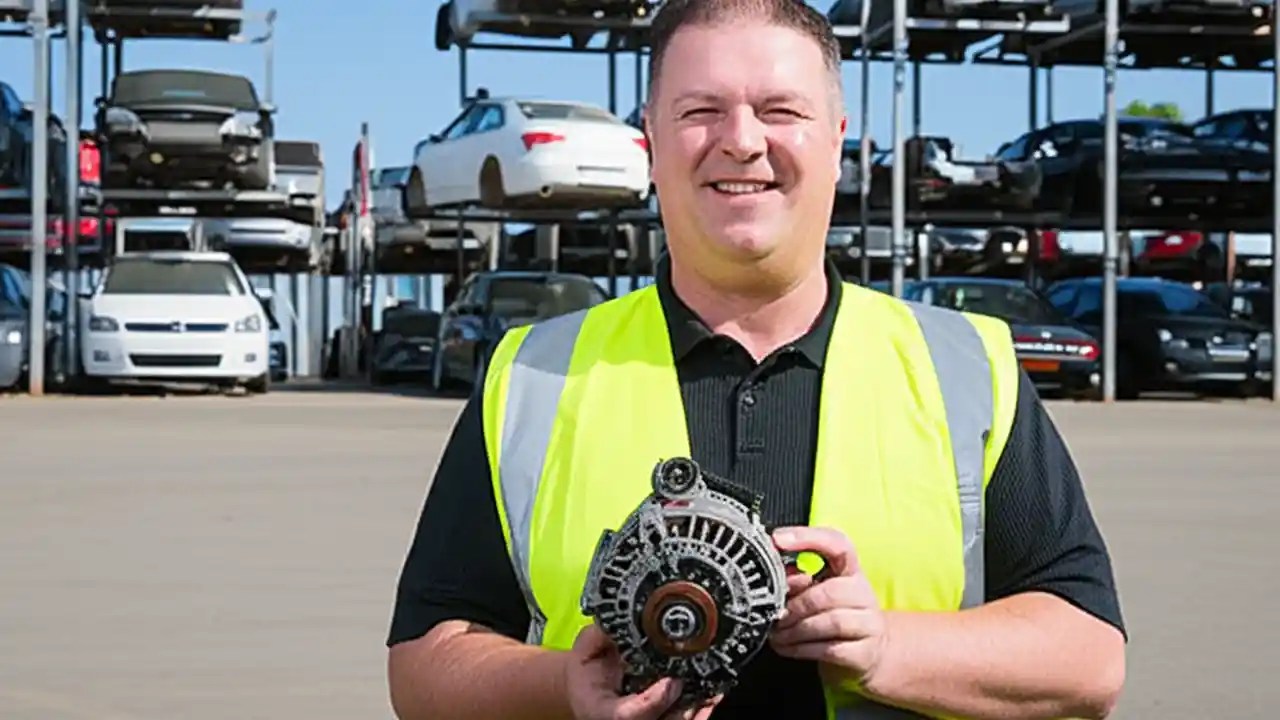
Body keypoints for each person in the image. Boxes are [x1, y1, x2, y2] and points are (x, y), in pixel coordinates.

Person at [385, 1, 1127, 718]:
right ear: (651, 139)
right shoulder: (532, 376)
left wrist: (888, 647)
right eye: (700, 110)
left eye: (780, 110)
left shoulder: (967, 367)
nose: (741, 140)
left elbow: (1089, 657)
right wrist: (560, 687)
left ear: (837, 140)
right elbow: (424, 663)